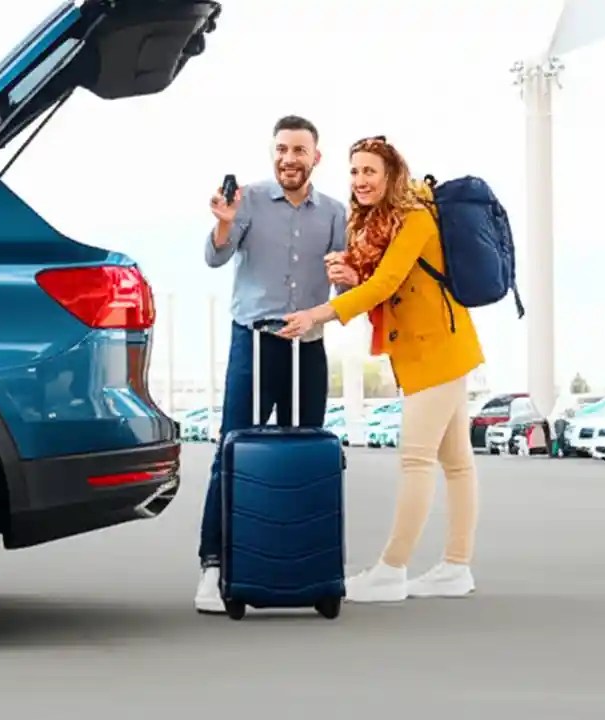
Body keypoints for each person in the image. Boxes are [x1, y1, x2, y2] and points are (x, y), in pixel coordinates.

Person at [277, 135, 484, 603]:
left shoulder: (414, 217)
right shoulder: (378, 224)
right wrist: (356, 278)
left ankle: (392, 568)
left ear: (391, 175)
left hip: (440, 351)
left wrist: (319, 314)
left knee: (416, 460)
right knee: (456, 462)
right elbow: (390, 285)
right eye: (354, 172)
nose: (360, 181)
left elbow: (389, 281)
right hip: (428, 350)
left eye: (370, 171)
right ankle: (456, 565)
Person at [194, 115, 348, 613]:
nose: (289, 159)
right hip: (255, 343)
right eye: (282, 149)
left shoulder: (333, 213)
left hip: (308, 345)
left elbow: (345, 288)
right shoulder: (250, 201)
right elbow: (216, 258)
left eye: (299, 150)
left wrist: (346, 276)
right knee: (234, 450)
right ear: (273, 153)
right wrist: (222, 221)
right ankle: (214, 564)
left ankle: (300, 564)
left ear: (315, 158)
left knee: (305, 458)